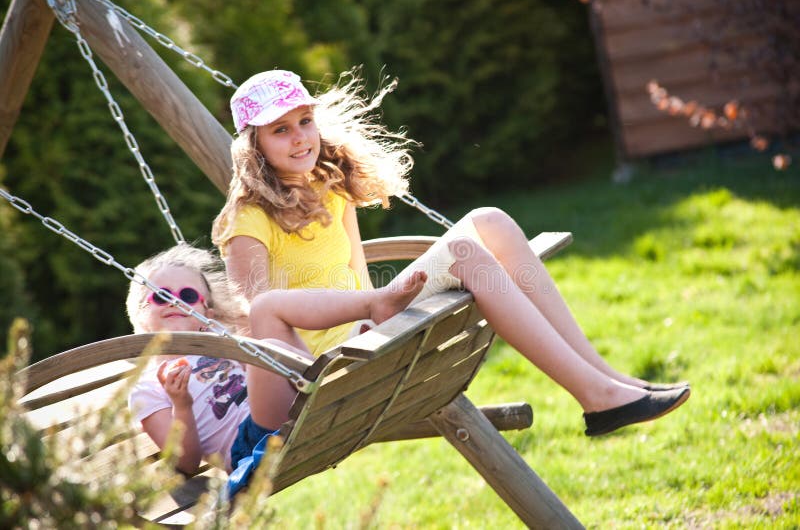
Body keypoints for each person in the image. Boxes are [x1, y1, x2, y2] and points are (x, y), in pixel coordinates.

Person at [211, 69, 690, 439]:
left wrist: (375, 315)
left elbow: (356, 274)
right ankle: (595, 394)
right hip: (317, 369)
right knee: (464, 253)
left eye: (305, 121)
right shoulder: (248, 220)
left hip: (363, 330)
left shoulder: (328, 187)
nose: (300, 137)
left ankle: (606, 379)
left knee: (490, 221)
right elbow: (259, 323)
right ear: (255, 146)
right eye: (280, 130)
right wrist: (348, 339)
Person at [126, 244, 428, 496]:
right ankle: (338, 373)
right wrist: (181, 403)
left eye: (188, 296)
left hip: (282, 410)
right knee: (266, 350)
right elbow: (186, 464)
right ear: (139, 314)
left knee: (265, 307)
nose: (175, 302)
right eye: (161, 295)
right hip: (251, 445)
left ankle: (373, 306)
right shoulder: (148, 388)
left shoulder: (218, 341)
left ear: (208, 313)